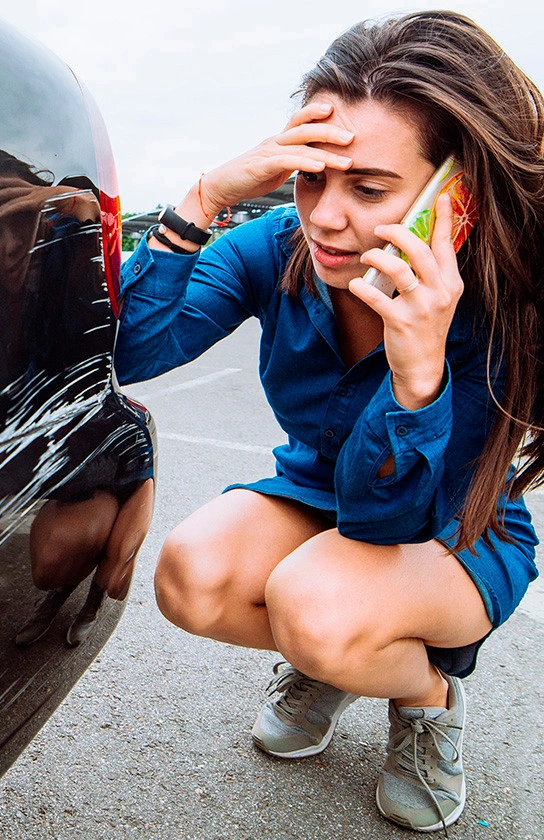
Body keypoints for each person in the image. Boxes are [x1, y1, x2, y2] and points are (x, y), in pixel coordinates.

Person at [115, 11, 542, 832]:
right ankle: (341, 658)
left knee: (319, 610)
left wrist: (418, 374)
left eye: (370, 188)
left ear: (457, 199)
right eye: (310, 176)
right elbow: (132, 348)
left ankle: (426, 697)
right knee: (189, 576)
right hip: (319, 494)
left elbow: (392, 519)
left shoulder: (502, 303)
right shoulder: (277, 245)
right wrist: (205, 198)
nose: (325, 218)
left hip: (455, 532)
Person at [0, 146, 154, 647]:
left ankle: (89, 605)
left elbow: (90, 352)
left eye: (23, 219)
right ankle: (50, 606)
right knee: (49, 564)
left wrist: (79, 207)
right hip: (58, 451)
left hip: (112, 445)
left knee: (113, 576)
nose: (12, 246)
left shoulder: (63, 271)